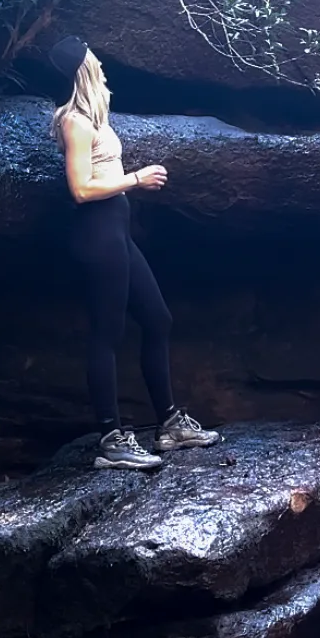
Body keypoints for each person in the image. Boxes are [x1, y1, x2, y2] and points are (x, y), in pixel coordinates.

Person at [49, 34, 218, 471]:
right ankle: (111, 439)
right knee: (107, 333)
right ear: (83, 70)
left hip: (117, 233)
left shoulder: (99, 120)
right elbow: (82, 189)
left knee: (158, 319)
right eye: (96, 61)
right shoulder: (75, 122)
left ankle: (169, 426)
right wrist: (135, 178)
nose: (103, 67)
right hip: (96, 235)